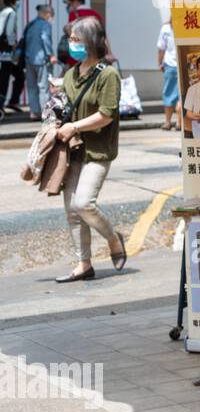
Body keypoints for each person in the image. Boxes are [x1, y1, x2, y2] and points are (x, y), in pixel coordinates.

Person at [55, 15, 127, 283]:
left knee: (84, 203)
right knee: (72, 212)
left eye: (76, 39)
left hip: (98, 151)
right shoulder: (70, 75)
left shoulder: (108, 75)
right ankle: (83, 264)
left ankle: (113, 239)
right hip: (72, 153)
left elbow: (106, 114)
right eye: (71, 39)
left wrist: (74, 127)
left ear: (92, 42)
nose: (71, 44)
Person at [22, 4, 56, 120]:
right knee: (43, 87)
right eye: (51, 15)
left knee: (31, 86)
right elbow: (45, 38)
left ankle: (34, 112)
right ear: (47, 14)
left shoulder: (30, 24)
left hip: (29, 59)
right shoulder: (45, 24)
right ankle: (45, 113)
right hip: (41, 60)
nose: (51, 18)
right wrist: (51, 55)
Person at [0, 0, 24, 111]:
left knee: (6, 76)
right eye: (17, 1)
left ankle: (9, 102)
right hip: (6, 52)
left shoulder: (3, 11)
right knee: (13, 76)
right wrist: (13, 44)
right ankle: (8, 102)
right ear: (13, 1)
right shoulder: (11, 12)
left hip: (2, 51)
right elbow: (9, 31)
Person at [157, 15, 179, 130]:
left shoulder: (166, 28)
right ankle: (173, 122)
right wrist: (160, 62)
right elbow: (161, 48)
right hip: (172, 64)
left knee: (171, 94)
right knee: (175, 94)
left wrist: (160, 63)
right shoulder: (166, 28)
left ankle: (170, 122)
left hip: (173, 64)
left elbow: (161, 48)